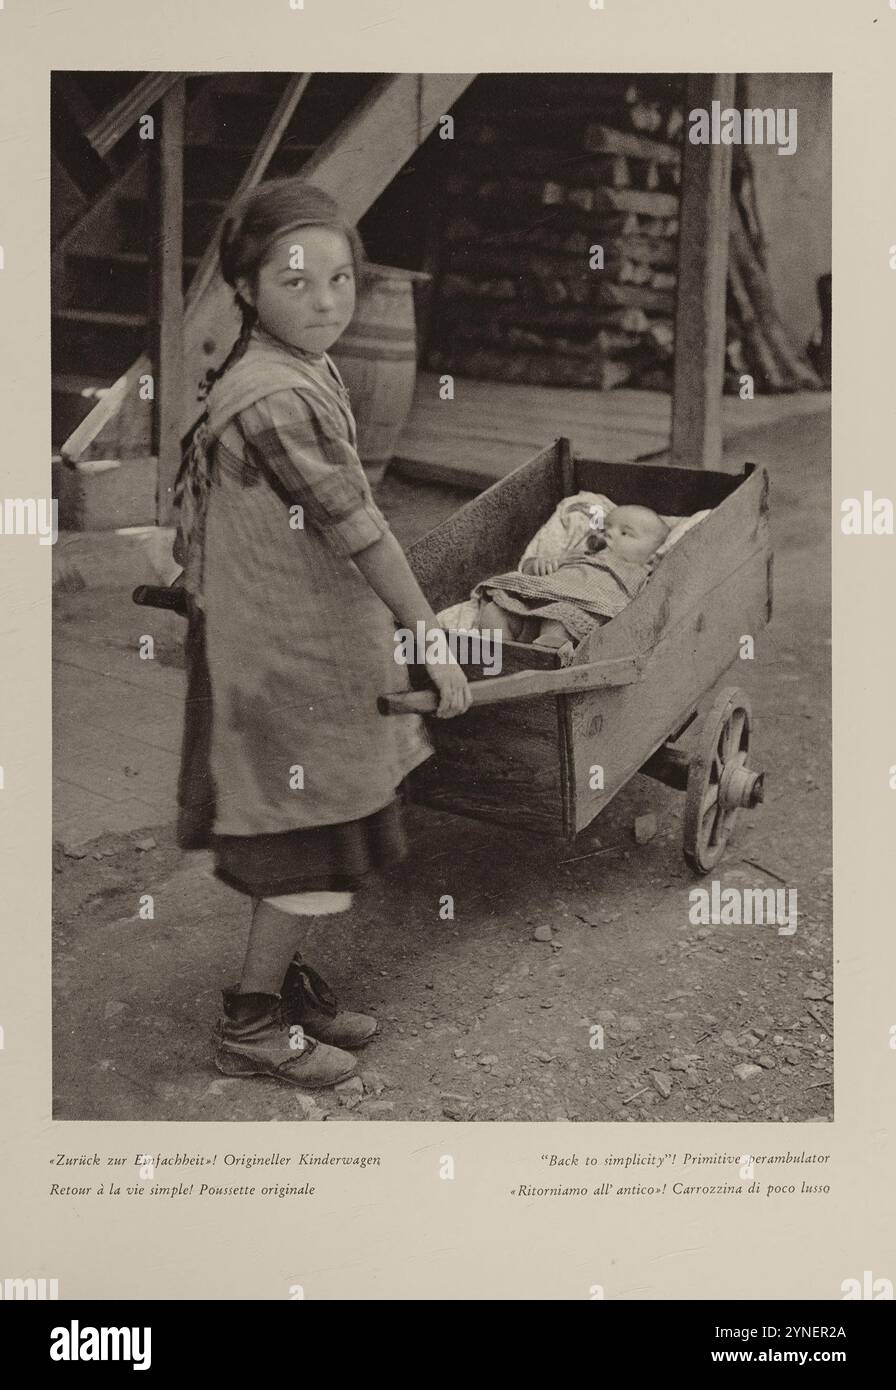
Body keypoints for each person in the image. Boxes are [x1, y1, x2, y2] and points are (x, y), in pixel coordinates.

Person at [173, 178, 471, 1092]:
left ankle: (285, 980)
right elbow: (359, 525)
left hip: (299, 640)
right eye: (297, 283)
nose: (326, 301)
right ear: (248, 287)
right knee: (304, 839)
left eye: (340, 280)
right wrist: (429, 634)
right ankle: (253, 1022)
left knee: (319, 829)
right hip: (279, 658)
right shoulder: (275, 395)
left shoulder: (291, 368)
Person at [475, 505, 669, 659]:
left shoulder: (644, 573)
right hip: (538, 604)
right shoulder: (582, 553)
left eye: (625, 533)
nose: (608, 533)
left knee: (558, 624)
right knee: (494, 610)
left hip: (577, 612)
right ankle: (506, 659)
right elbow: (529, 568)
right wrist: (539, 565)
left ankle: (544, 662)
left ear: (652, 557)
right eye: (605, 528)